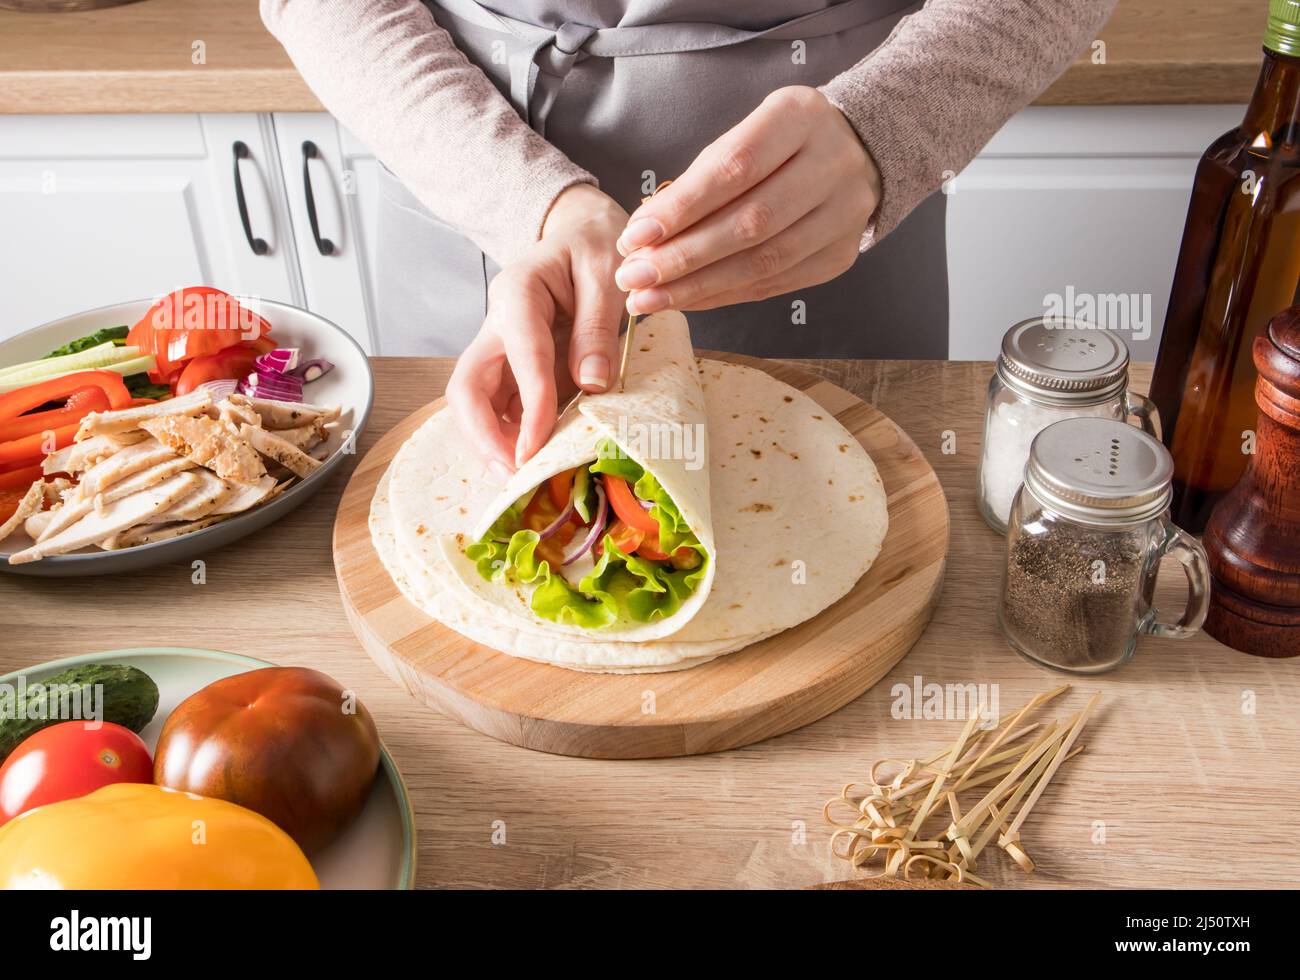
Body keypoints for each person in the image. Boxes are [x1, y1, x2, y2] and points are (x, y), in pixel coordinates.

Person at [263, 0, 1116, 475]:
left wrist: (887, 127)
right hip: (467, 169)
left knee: (849, 513)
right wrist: (528, 202)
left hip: (834, 189)